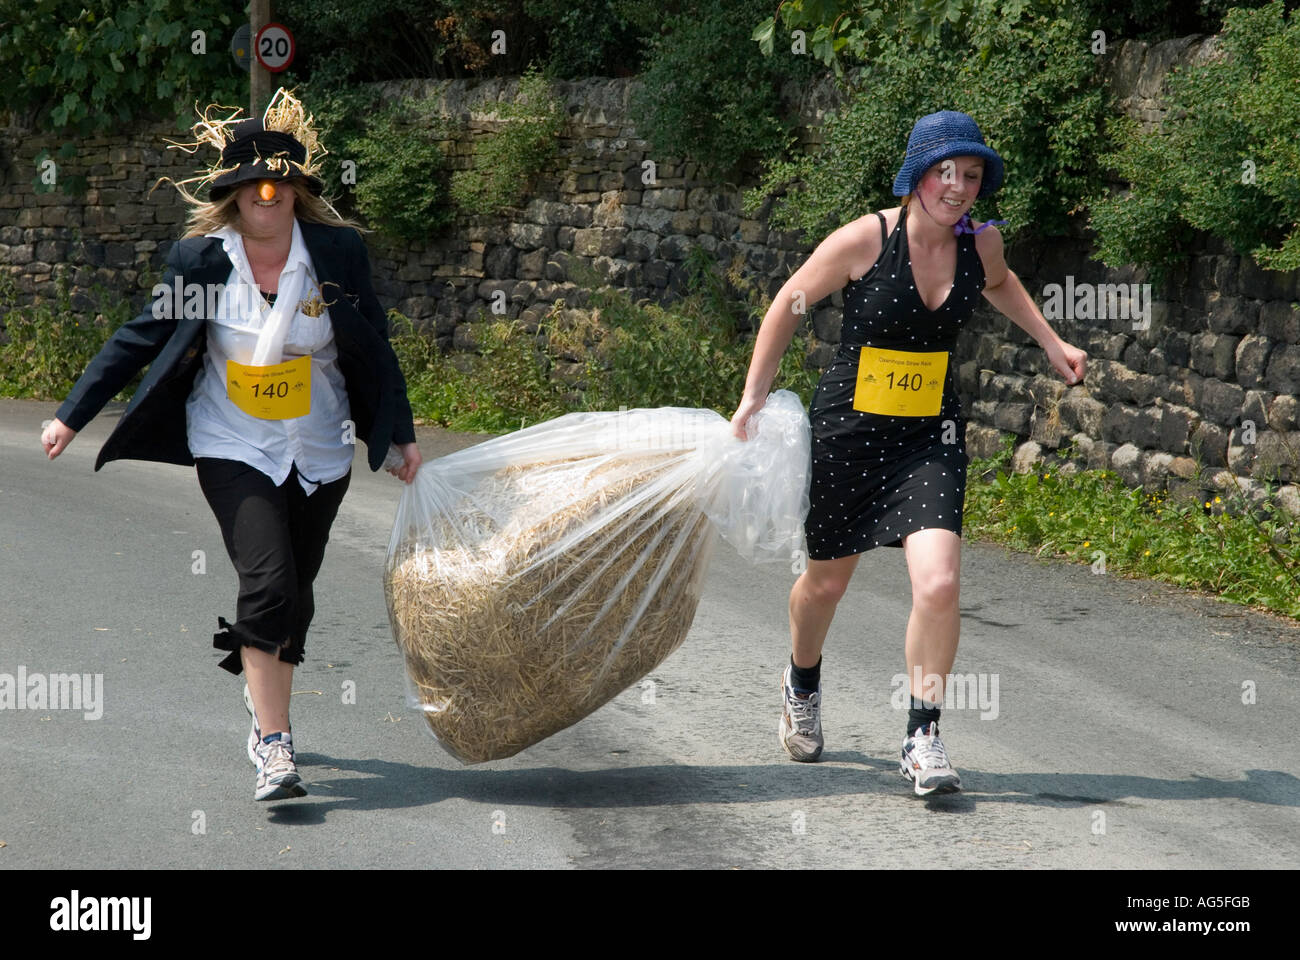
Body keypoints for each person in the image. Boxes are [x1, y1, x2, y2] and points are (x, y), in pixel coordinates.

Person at [40, 89, 423, 802]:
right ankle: (274, 746)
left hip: (321, 444)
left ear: (297, 192)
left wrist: (398, 435)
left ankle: (262, 701)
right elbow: (141, 337)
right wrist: (72, 415)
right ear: (234, 195)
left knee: (296, 597)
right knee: (269, 581)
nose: (268, 196)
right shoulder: (203, 262)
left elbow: (373, 347)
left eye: (280, 184)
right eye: (254, 186)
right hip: (232, 442)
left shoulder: (336, 254)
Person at [730, 111, 1087, 796]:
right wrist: (753, 397)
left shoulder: (980, 246)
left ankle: (923, 736)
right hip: (849, 434)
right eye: (946, 172)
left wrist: (1050, 341)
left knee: (939, 583)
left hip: (930, 438)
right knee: (826, 585)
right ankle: (802, 679)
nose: (959, 187)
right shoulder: (867, 238)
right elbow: (789, 302)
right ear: (918, 175)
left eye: (972, 175)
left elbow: (1002, 284)